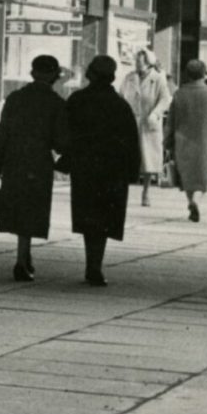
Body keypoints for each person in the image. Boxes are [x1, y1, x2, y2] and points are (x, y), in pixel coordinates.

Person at [0, 54, 67, 282]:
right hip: (39, 162)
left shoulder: (15, 99)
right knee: (32, 210)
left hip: (14, 160)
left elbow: (3, 134)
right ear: (54, 75)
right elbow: (61, 142)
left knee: (18, 209)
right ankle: (22, 260)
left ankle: (24, 255)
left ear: (32, 73)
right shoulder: (56, 103)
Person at [62, 55, 139, 287]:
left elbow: (65, 133)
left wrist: (66, 158)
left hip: (85, 168)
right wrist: (132, 171)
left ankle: (92, 263)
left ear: (90, 74)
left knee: (89, 217)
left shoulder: (77, 100)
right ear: (112, 77)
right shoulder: (120, 106)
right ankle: (95, 264)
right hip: (112, 170)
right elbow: (131, 140)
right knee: (105, 218)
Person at [168, 59, 207, 224]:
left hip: (183, 143)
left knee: (187, 177)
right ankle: (196, 200)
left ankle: (191, 201)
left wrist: (167, 142)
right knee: (202, 177)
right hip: (206, 144)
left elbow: (171, 121)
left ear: (187, 74)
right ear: (204, 74)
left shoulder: (179, 94)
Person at [119, 49, 171, 207]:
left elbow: (165, 99)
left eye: (140, 62)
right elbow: (121, 96)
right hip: (131, 121)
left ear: (148, 63)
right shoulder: (129, 77)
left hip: (149, 122)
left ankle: (146, 191)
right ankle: (123, 191)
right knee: (127, 157)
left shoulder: (158, 78)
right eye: (136, 61)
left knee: (148, 159)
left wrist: (155, 114)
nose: (137, 65)